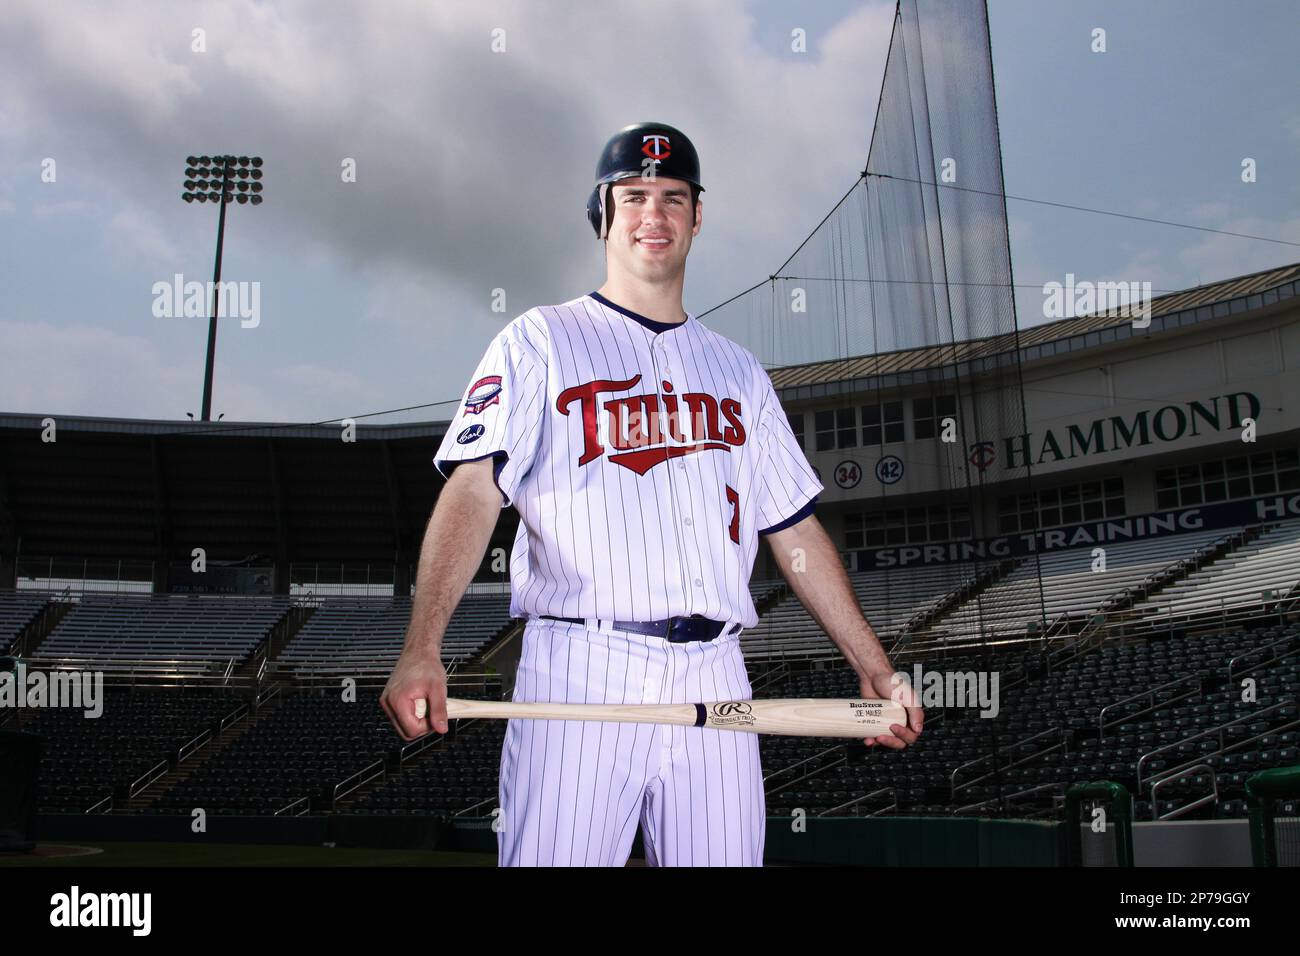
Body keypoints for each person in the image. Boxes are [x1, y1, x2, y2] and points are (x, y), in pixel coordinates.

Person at [381, 122, 922, 866]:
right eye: (633, 195)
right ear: (602, 213)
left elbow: (793, 532)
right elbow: (475, 491)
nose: (654, 214)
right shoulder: (540, 339)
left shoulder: (738, 373)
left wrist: (872, 663)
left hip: (719, 670)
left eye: (673, 197)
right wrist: (423, 647)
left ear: (698, 216)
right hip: (582, 664)